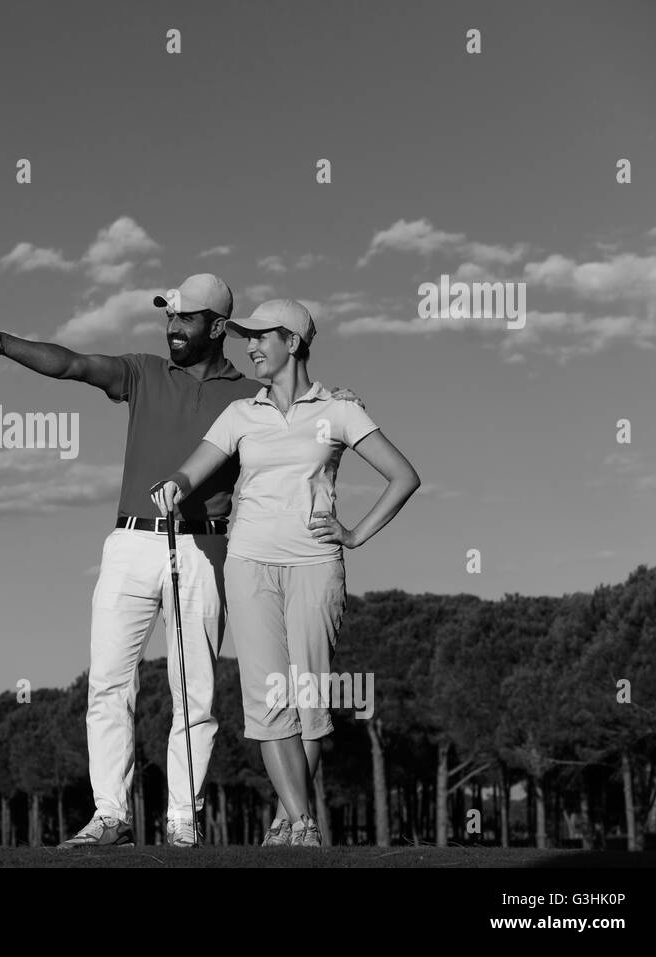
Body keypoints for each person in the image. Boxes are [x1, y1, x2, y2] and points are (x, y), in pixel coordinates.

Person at [0, 278, 362, 847]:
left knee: (193, 692)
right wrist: (3, 343)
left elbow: (306, 409)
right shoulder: (141, 372)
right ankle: (110, 816)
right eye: (169, 318)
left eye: (186, 319)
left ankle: (182, 821)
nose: (172, 328)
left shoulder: (251, 395)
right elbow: (71, 364)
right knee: (107, 683)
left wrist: (339, 403)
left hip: (207, 548)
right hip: (129, 544)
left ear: (218, 327)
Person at [151, 299, 419, 847]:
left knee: (310, 699)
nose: (248, 346)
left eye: (259, 337)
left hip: (317, 566)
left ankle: (287, 819)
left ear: (292, 342)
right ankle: (302, 823)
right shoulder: (240, 415)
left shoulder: (340, 411)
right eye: (245, 337)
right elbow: (194, 468)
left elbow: (403, 476)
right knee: (268, 699)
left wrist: (354, 534)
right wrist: (175, 485)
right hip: (248, 564)